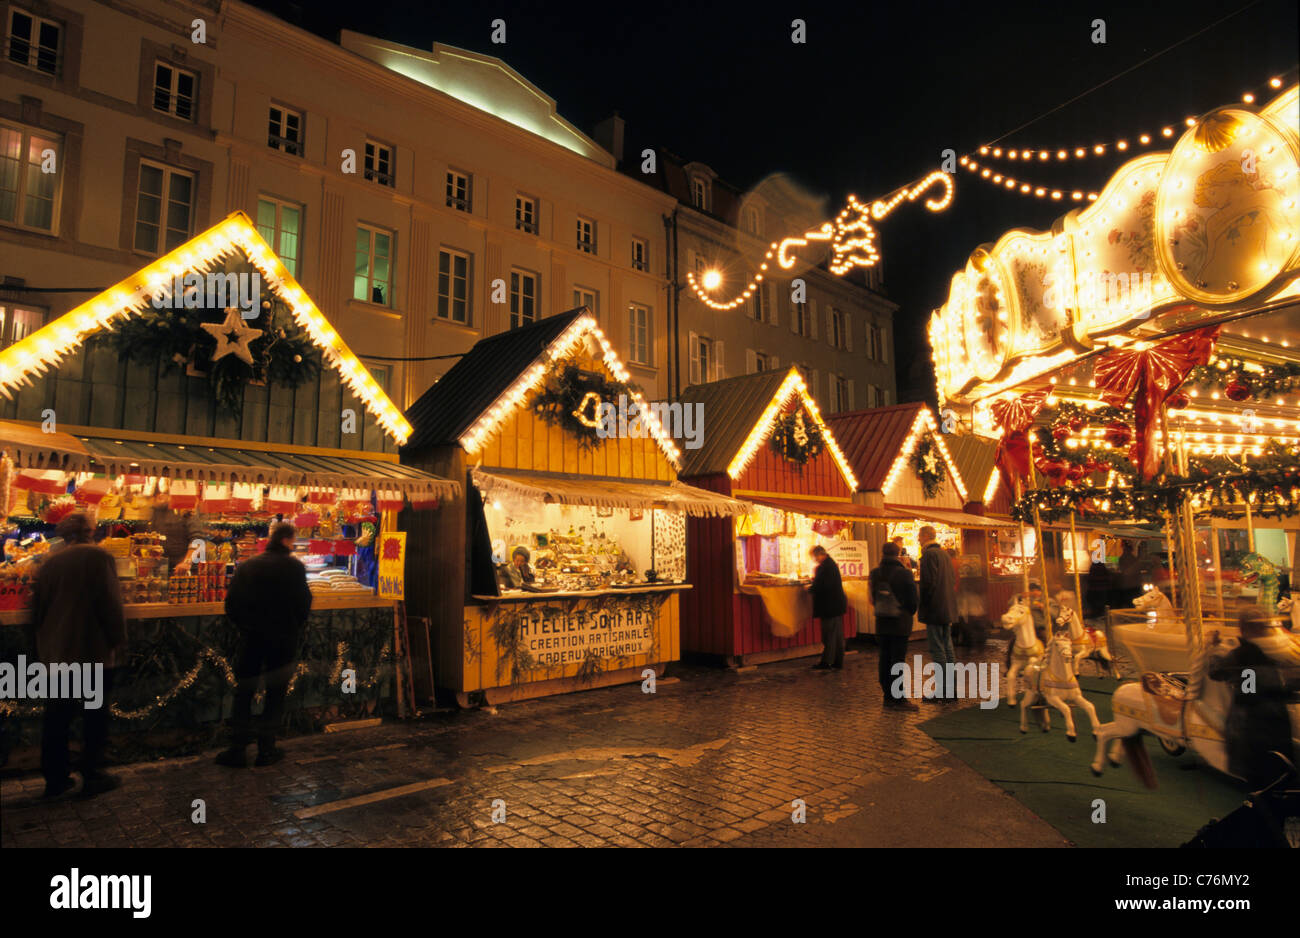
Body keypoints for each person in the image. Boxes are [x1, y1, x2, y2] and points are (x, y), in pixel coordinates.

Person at [27, 513, 126, 798]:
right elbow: (111, 603)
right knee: (94, 717)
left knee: (57, 717)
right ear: (90, 531)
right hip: (91, 650)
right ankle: (92, 773)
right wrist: (119, 640)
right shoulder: (99, 558)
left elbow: (37, 611)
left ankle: (55, 778)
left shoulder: (49, 563)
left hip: (58, 653)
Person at [216, 522, 312, 768]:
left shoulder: (249, 566)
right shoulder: (294, 567)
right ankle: (266, 749)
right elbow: (304, 604)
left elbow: (232, 604)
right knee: (275, 693)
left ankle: (237, 750)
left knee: (244, 691)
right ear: (287, 541)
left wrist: (245, 626)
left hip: (252, 637)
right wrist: (292, 626)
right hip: (283, 639)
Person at [1208, 608, 1300, 788]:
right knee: (1280, 765)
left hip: (1251, 723)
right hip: (1277, 717)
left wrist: (1215, 649)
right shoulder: (1281, 650)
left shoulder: (1242, 655)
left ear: (1243, 629)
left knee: (1257, 773)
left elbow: (1217, 673)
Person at [870, 541, 920, 710]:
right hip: (900, 623)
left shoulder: (875, 573)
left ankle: (887, 695)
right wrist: (907, 612)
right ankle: (898, 698)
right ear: (898, 553)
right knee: (897, 660)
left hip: (881, 622)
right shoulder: (904, 574)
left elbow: (873, 597)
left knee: (884, 658)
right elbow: (913, 601)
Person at [917, 525, 960, 700]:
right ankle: (952, 688)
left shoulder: (928, 555)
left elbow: (928, 583)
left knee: (938, 649)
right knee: (948, 648)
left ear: (926, 536)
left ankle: (943, 690)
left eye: (919, 536)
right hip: (947, 607)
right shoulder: (944, 554)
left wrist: (924, 604)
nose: (918, 540)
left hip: (935, 608)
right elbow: (951, 580)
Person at [807, 545, 848, 670]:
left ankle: (827, 662)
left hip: (829, 606)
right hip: (836, 605)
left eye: (815, 557)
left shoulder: (825, 567)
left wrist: (811, 588)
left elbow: (823, 586)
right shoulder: (830, 565)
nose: (815, 560)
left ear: (820, 555)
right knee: (836, 635)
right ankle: (837, 661)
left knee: (829, 635)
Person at [1116, 540, 1141, 608]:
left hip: (1128, 586)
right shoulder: (1133, 558)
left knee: (1129, 603)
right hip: (1133, 585)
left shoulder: (1123, 558)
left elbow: (1123, 571)